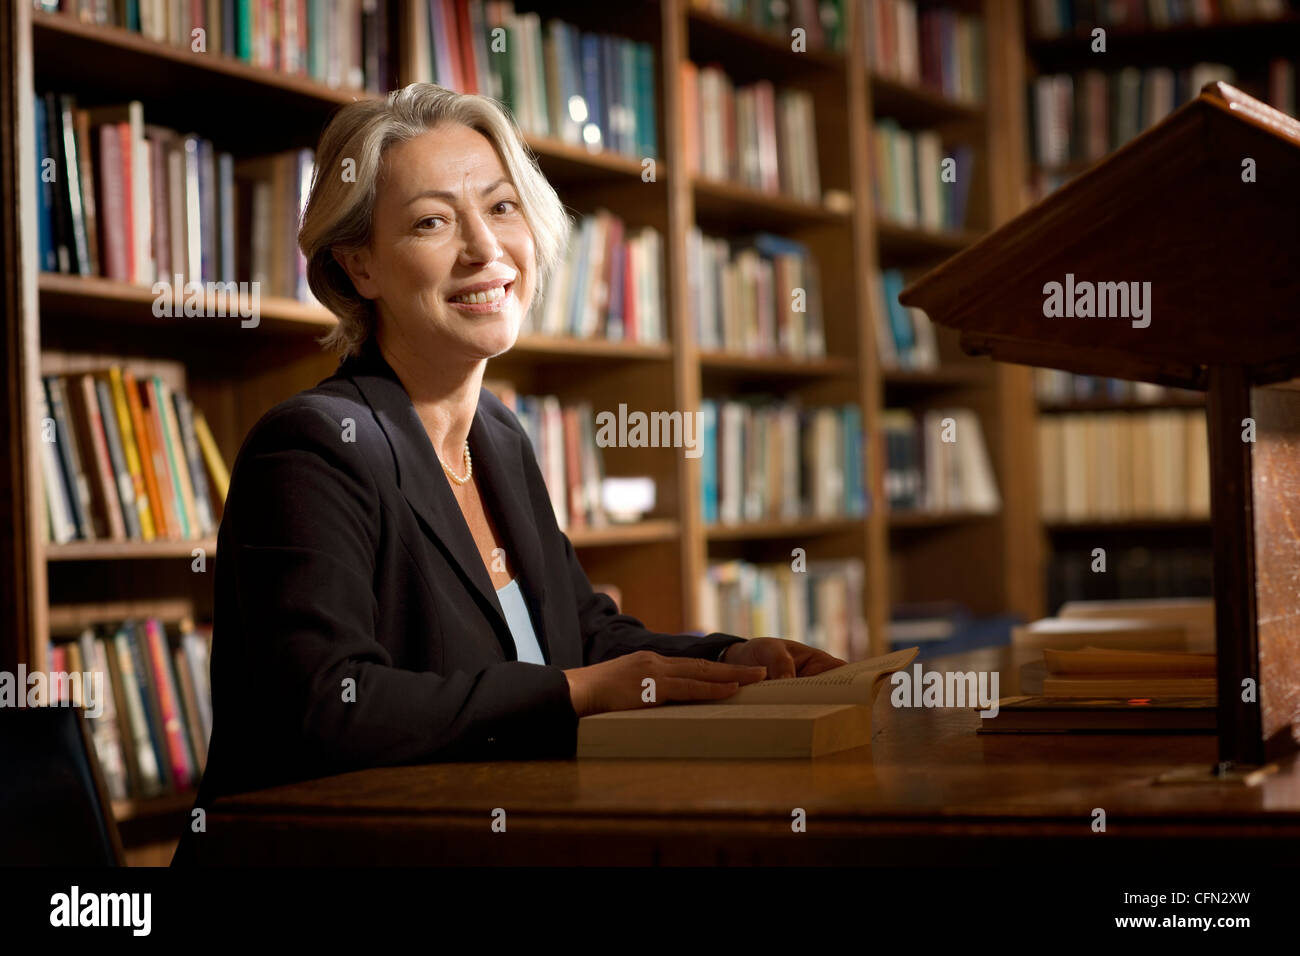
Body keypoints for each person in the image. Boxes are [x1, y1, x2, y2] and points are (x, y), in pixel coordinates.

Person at [172, 84, 845, 863]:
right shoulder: (314, 447)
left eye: (500, 208)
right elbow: (326, 706)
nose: (485, 251)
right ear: (359, 266)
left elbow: (581, 633)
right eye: (432, 221)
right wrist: (574, 694)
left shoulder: (497, 434)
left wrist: (731, 661)